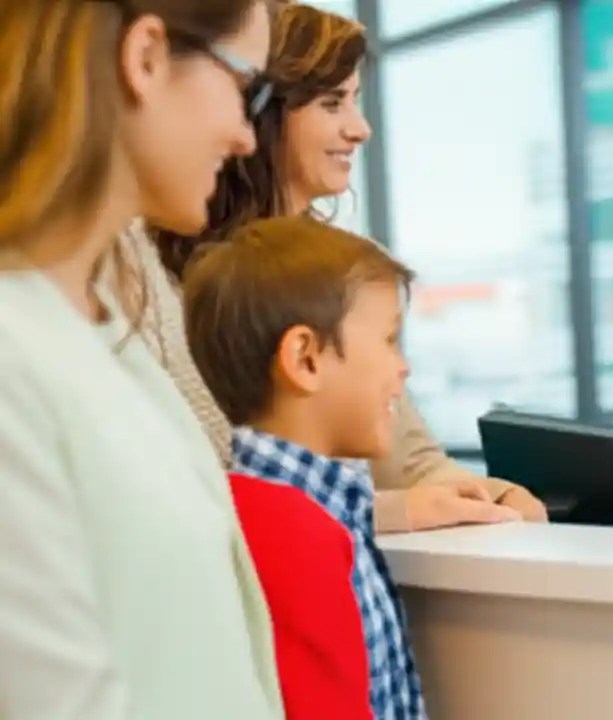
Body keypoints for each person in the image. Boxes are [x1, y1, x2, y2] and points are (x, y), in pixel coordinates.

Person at [110, 1, 546, 532]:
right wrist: (388, 511)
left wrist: (491, 496)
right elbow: (202, 489)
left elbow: (408, 462)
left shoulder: (338, 272)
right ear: (262, 110)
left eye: (355, 101)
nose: (360, 129)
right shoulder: (140, 266)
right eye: (332, 103)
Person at [0, 1, 287, 718]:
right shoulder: (17, 353)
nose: (247, 137)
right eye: (244, 86)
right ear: (147, 58)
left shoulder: (106, 334)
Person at [183, 215, 443, 718]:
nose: (402, 366)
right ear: (305, 359)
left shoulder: (312, 512)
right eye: (389, 340)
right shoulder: (291, 532)